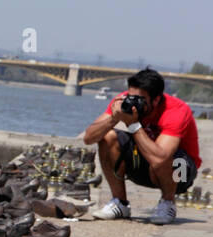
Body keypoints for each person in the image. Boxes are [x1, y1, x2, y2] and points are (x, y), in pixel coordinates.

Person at [83, 67, 200, 225]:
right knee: (108, 137)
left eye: (140, 100)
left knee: (173, 158)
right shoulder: (123, 100)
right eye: (130, 97)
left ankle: (167, 203)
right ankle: (120, 203)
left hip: (180, 175)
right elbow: (88, 138)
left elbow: (160, 158)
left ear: (156, 100)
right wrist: (113, 119)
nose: (133, 104)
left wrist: (134, 125)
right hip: (143, 164)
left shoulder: (177, 111)